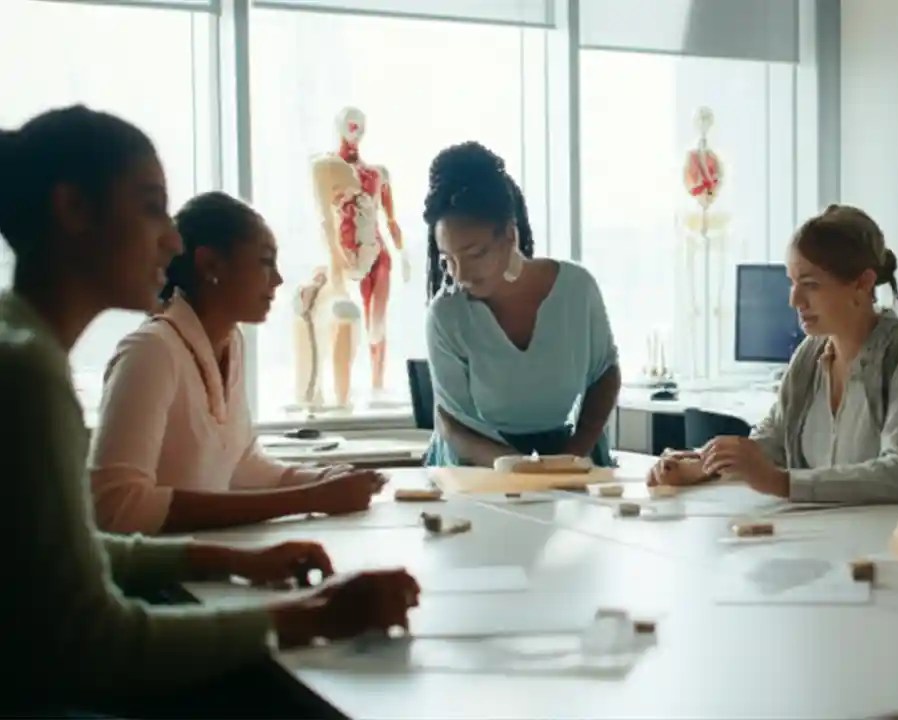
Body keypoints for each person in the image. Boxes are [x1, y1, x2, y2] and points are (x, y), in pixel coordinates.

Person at [0, 105, 418, 715]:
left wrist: (232, 559)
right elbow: (93, 640)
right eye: (150, 207)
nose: (171, 239)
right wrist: (317, 613)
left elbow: (81, 547)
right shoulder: (30, 372)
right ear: (73, 211)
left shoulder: (30, 352)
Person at [89, 191, 385, 534]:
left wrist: (323, 479)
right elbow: (117, 508)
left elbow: (241, 465)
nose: (277, 280)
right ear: (210, 265)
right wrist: (310, 498)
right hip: (157, 579)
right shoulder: (150, 352)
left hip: (211, 564)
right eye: (265, 262)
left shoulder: (231, 343)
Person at [649, 205, 898, 507]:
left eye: (810, 284)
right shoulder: (810, 355)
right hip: (828, 539)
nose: (794, 299)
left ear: (862, 283)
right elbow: (772, 442)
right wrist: (702, 464)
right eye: (793, 282)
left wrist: (781, 482)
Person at [423, 141, 620, 467]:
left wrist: (572, 455)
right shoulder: (446, 315)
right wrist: (520, 469)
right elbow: (452, 422)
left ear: (510, 237)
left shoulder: (576, 289)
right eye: (448, 260)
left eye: (475, 254)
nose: (461, 274)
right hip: (476, 466)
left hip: (563, 454)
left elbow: (604, 373)